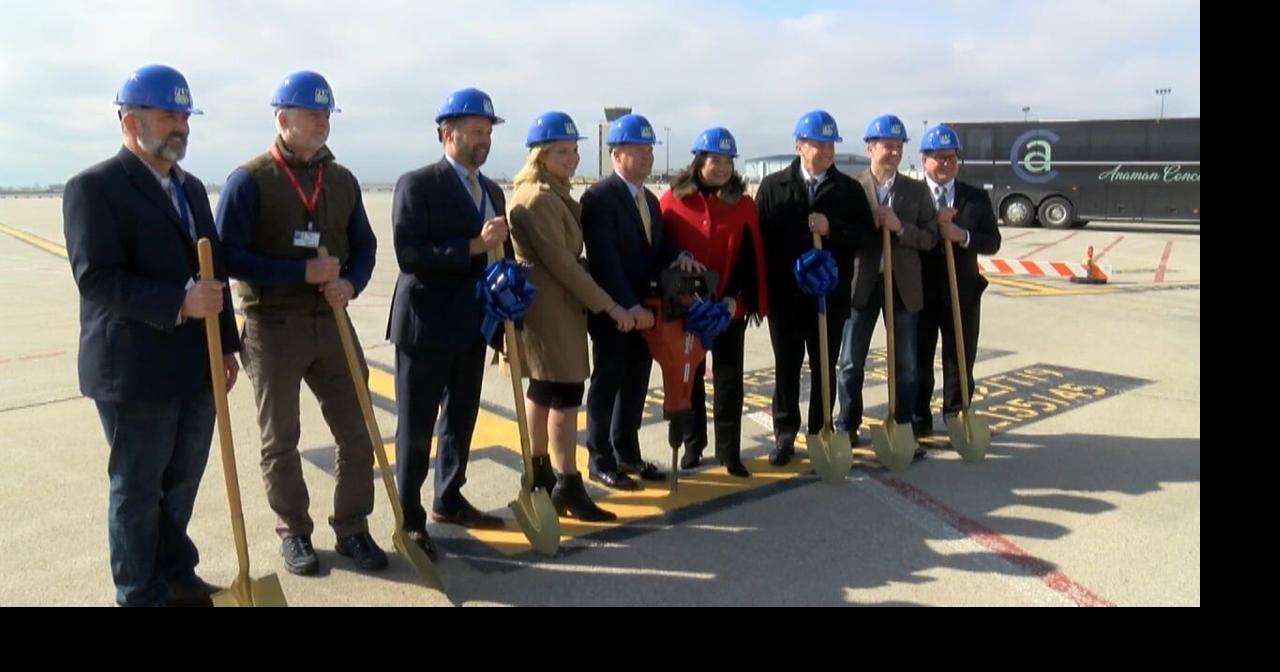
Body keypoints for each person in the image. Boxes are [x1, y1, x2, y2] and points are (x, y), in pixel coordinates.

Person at [63, 64, 239, 606]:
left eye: (185, 116)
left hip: (195, 365)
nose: (180, 126)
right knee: (137, 492)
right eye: (169, 115)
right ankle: (138, 592)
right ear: (130, 120)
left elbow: (215, 270)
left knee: (180, 484)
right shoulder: (94, 188)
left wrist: (228, 343)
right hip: (134, 370)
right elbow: (96, 277)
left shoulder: (189, 189)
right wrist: (177, 303)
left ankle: (176, 575)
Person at [215, 70, 384, 575]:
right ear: (282, 118)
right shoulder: (250, 180)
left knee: (357, 432)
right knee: (280, 439)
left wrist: (351, 282)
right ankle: (295, 531)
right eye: (313, 114)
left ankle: (352, 526)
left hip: (332, 322)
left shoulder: (343, 180)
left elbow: (367, 246)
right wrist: (300, 271)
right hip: (273, 327)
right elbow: (227, 257)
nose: (322, 122)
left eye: (327, 114)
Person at [388, 87, 509, 560]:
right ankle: (410, 516)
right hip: (425, 325)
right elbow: (409, 254)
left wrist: (512, 289)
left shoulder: (493, 190)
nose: (484, 140)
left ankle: (449, 496)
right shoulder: (418, 184)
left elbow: (500, 254)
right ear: (447, 133)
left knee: (461, 418)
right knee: (416, 426)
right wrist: (471, 248)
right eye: (476, 132)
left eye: (488, 133)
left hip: (472, 326)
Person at [508, 111, 632, 520]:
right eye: (563, 150)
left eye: (575, 149)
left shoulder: (550, 190)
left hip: (552, 305)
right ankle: (566, 482)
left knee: (545, 390)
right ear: (541, 155)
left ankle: (541, 471)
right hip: (553, 308)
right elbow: (562, 264)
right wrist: (608, 304)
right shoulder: (539, 198)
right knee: (563, 393)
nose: (573, 157)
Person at [581, 113, 703, 490]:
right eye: (639, 150)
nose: (648, 156)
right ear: (616, 155)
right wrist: (627, 307)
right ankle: (600, 458)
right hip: (617, 311)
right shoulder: (599, 197)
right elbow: (606, 261)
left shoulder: (648, 199)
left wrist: (678, 255)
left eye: (650, 150)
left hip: (647, 313)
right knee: (608, 382)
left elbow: (656, 247)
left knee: (636, 382)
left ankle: (627, 453)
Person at [755, 109, 872, 466]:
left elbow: (865, 236)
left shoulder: (848, 190)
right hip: (786, 298)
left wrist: (831, 227)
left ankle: (820, 430)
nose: (825, 151)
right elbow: (759, 240)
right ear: (799, 146)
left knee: (824, 367)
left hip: (829, 298)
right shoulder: (774, 186)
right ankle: (785, 434)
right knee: (786, 368)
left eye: (830, 144)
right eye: (817, 144)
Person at [658, 126, 768, 477]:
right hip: (685, 309)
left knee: (728, 379)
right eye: (714, 160)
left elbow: (751, 258)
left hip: (726, 309)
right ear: (699, 161)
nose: (722, 167)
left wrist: (738, 302)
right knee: (688, 376)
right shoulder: (673, 200)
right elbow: (660, 249)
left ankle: (729, 450)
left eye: (727, 161)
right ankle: (693, 444)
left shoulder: (743, 204)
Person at [838, 114, 938, 458]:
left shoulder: (916, 190)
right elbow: (842, 236)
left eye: (898, 147)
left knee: (906, 364)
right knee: (851, 362)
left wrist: (899, 227)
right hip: (862, 286)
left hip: (902, 286)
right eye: (887, 146)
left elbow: (929, 238)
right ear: (870, 147)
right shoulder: (851, 188)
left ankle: (903, 426)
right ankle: (846, 427)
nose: (894, 152)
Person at [913, 124, 1002, 437]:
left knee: (960, 360)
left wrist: (962, 235)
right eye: (938, 158)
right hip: (920, 295)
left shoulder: (975, 198)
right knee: (919, 360)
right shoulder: (911, 197)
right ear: (924, 160)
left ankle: (956, 415)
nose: (946, 164)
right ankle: (918, 418)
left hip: (962, 293)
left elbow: (992, 242)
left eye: (951, 158)